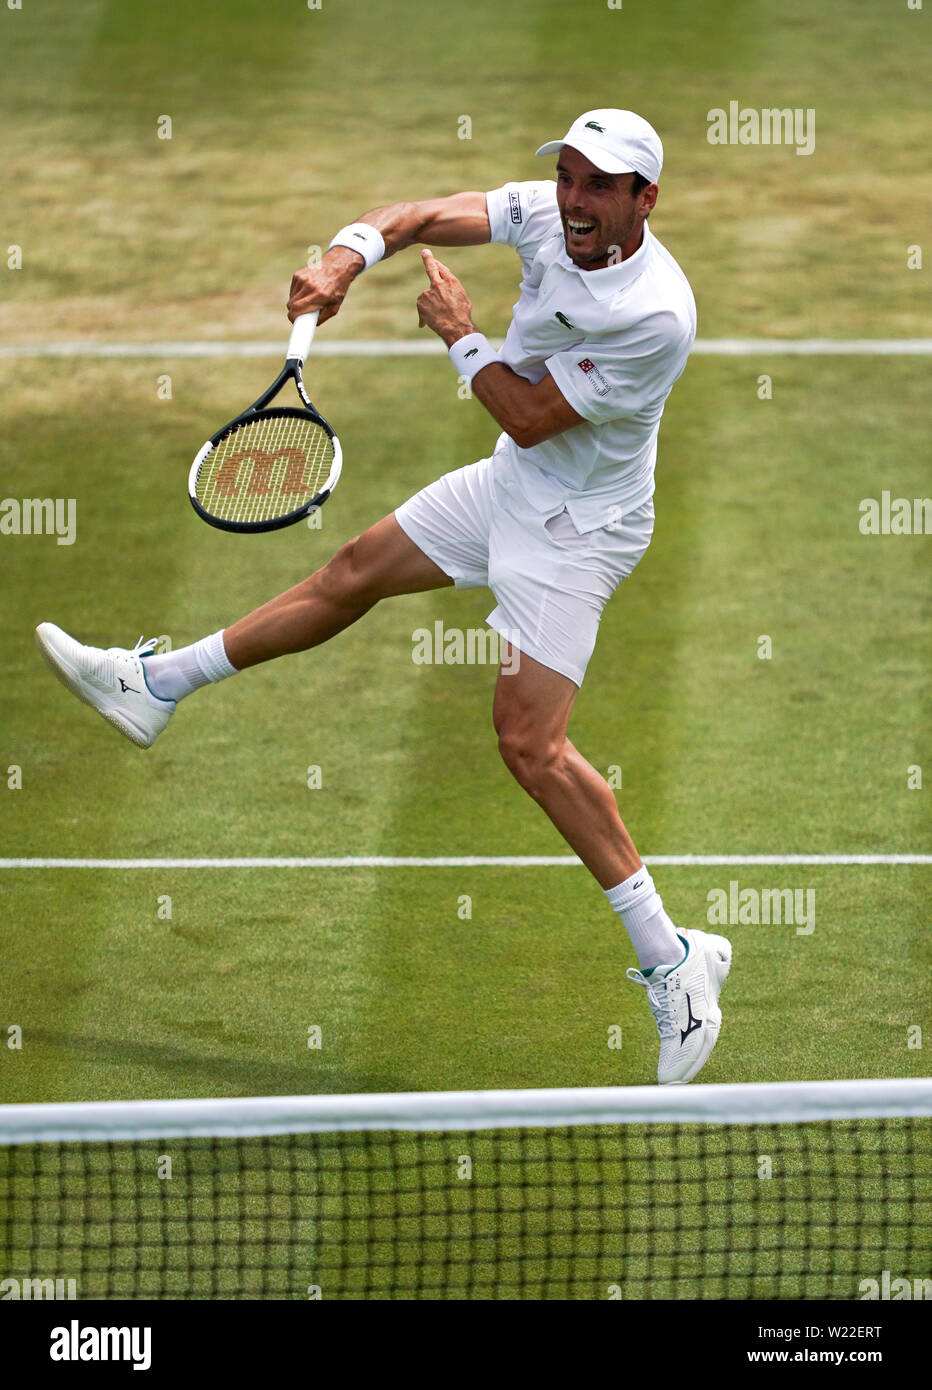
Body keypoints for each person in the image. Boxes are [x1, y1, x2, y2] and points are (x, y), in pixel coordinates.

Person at [36, 109, 731, 1085]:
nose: (572, 199)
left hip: (577, 526)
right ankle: (153, 685)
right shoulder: (544, 215)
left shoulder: (654, 313)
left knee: (528, 744)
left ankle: (675, 960)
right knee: (355, 568)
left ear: (642, 200)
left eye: (597, 186)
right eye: (567, 176)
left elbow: (530, 416)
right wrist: (344, 259)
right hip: (516, 484)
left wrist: (460, 338)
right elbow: (415, 214)